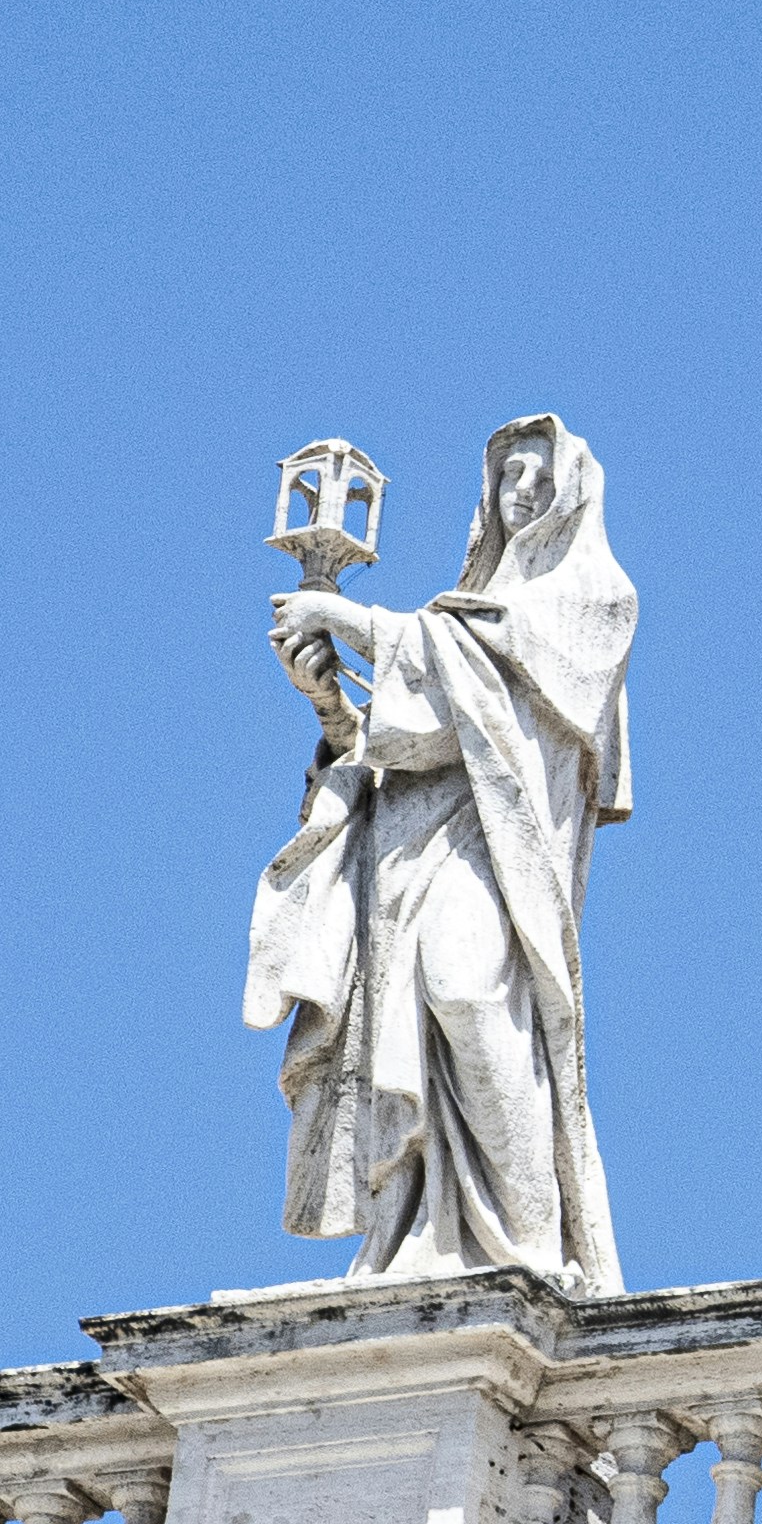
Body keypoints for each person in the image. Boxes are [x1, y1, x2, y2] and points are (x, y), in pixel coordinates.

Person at [258, 416, 637, 1288]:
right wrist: (329, 709)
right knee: (412, 1023)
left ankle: (527, 1243)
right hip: (413, 856)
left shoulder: (595, 599)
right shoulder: (448, 618)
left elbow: (490, 674)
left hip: (503, 860)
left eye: (541, 476)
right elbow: (409, 746)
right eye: (508, 475)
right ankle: (419, 1232)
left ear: (575, 491)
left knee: (468, 994)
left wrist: (349, 619)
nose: (524, 491)